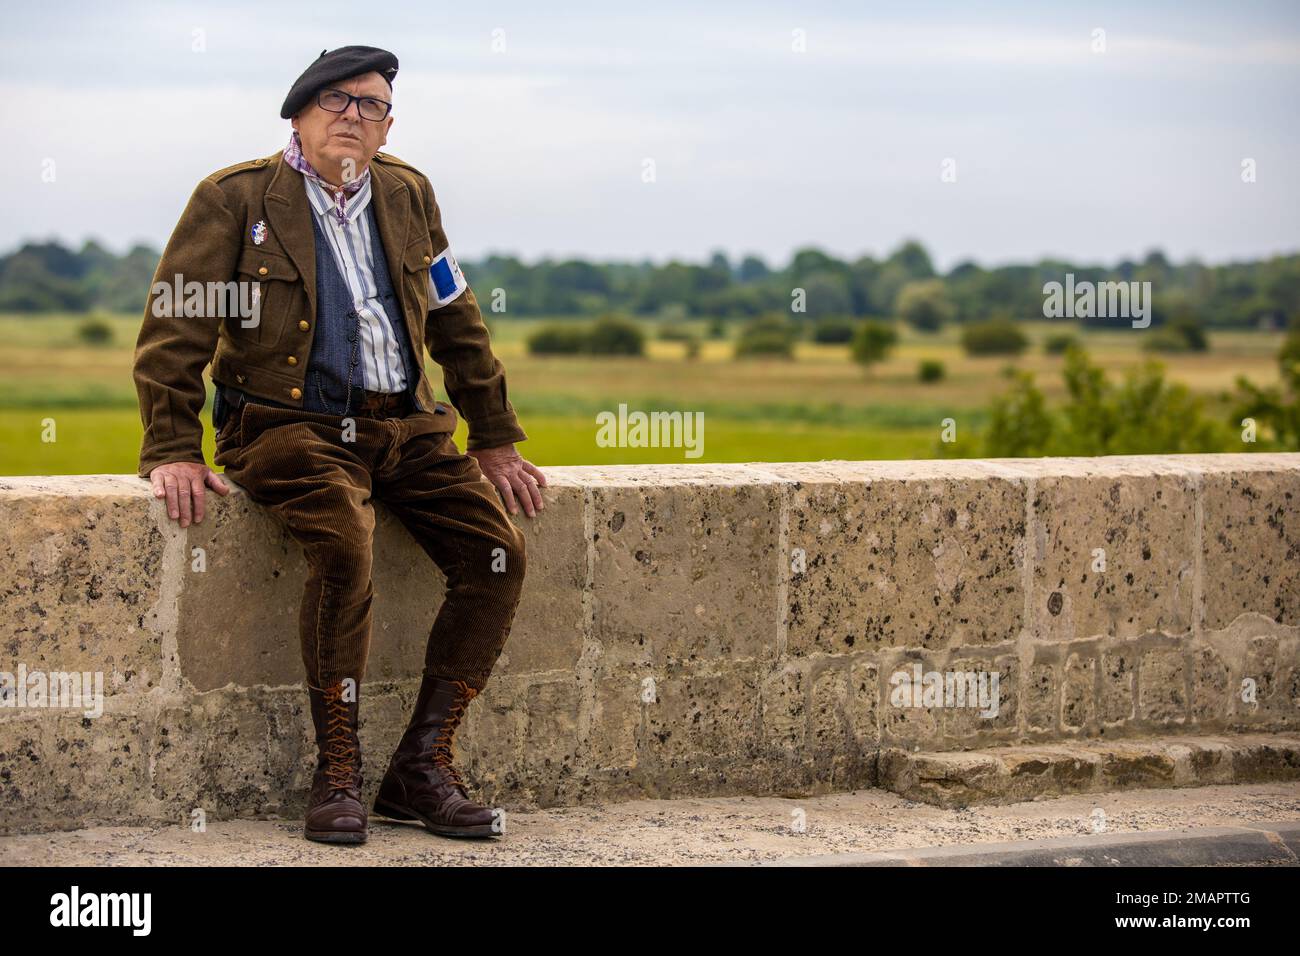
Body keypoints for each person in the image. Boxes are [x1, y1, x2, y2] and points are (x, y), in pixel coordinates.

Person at [132, 45, 546, 844]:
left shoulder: (408, 192)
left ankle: (421, 767)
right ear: (300, 113)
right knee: (347, 548)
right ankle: (339, 771)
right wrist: (173, 447)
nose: (356, 116)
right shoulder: (233, 199)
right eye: (339, 101)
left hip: (406, 425)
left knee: (497, 551)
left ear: (389, 128)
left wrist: (493, 435)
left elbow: (456, 319)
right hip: (288, 428)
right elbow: (173, 330)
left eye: (375, 106)